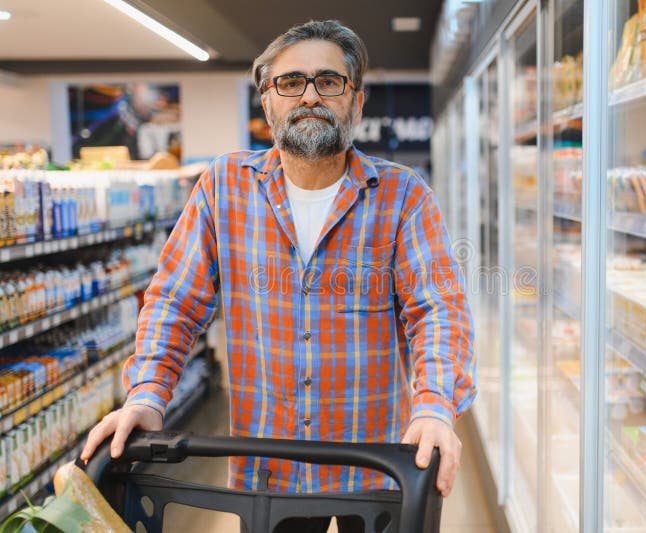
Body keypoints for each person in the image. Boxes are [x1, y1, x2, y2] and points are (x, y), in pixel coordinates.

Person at [80, 19, 476, 533]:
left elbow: (438, 310)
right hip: (269, 475)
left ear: (356, 101)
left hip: (379, 470)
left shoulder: (402, 196)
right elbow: (175, 301)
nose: (309, 96)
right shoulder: (224, 187)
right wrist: (148, 394)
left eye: (329, 82)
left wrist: (435, 407)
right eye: (290, 82)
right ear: (267, 102)